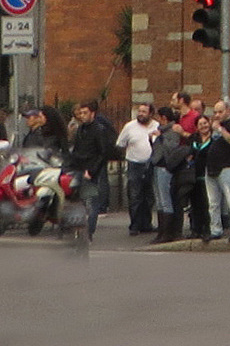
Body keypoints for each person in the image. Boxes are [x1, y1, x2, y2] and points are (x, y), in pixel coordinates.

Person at [197, 105, 230, 244]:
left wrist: (220, 129)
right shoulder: (214, 126)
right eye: (215, 112)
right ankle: (215, 230)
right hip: (211, 167)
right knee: (213, 202)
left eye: (220, 112)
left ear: (229, 111)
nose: (217, 115)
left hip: (227, 167)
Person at [64, 99, 116, 236]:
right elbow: (77, 150)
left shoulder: (98, 129)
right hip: (79, 169)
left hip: (92, 171)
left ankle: (89, 233)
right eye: (81, 113)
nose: (82, 115)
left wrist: (92, 171)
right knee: (78, 202)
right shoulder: (81, 128)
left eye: (85, 112)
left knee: (92, 204)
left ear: (92, 114)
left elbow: (103, 152)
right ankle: (77, 230)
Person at [152, 107, 196, 242]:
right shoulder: (162, 131)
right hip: (157, 166)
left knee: (166, 200)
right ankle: (161, 232)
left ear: (164, 118)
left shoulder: (171, 131)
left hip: (165, 167)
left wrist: (160, 138)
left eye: (159, 117)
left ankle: (167, 233)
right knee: (159, 200)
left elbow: (170, 149)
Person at [117, 102, 157, 235]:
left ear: (151, 113)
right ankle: (134, 225)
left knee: (149, 196)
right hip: (134, 164)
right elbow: (120, 143)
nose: (140, 114)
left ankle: (146, 224)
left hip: (151, 164)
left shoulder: (156, 126)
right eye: (139, 111)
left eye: (144, 111)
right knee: (135, 196)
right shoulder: (129, 127)